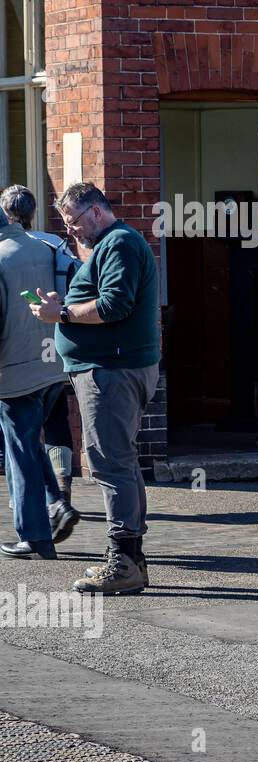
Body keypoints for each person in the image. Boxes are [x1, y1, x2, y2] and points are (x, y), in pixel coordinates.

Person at [30, 183, 160, 595]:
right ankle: (130, 557)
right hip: (113, 369)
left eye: (74, 222)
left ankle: (122, 562)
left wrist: (61, 312)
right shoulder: (116, 244)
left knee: (108, 463)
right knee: (120, 461)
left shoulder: (119, 243)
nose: (71, 232)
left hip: (111, 372)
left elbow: (112, 305)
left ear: (97, 211)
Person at [0, 184, 82, 543]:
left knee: (20, 456)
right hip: (54, 363)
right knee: (32, 444)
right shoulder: (48, 245)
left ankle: (32, 535)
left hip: (14, 373)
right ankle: (57, 502)